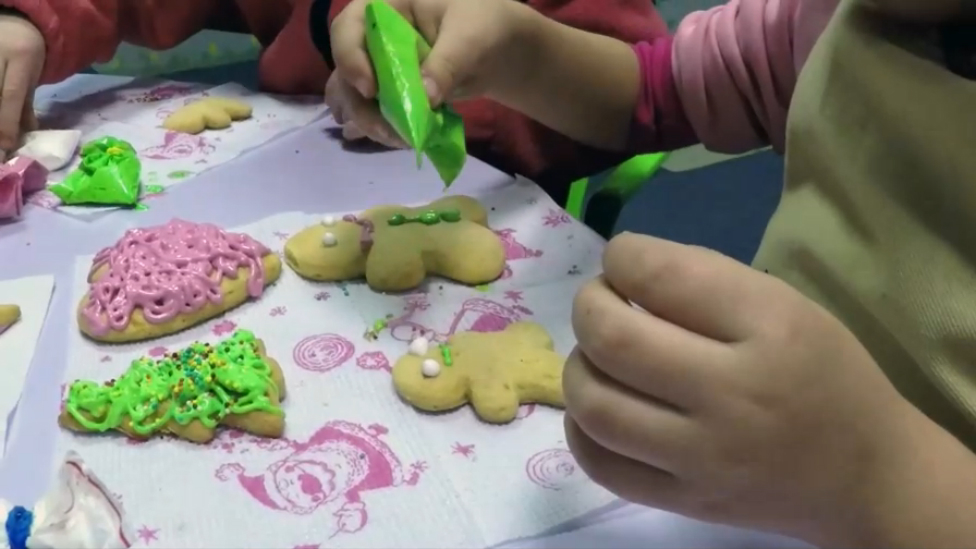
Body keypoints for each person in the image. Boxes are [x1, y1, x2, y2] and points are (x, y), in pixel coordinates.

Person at [328, 0, 976, 546]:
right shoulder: (830, 17)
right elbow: (657, 93)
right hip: (743, 473)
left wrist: (879, 476)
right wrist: (520, 51)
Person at [0, 0, 668, 202]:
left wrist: (437, 94)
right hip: (284, 179)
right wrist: (29, 18)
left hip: (488, 201)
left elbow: (638, 84)